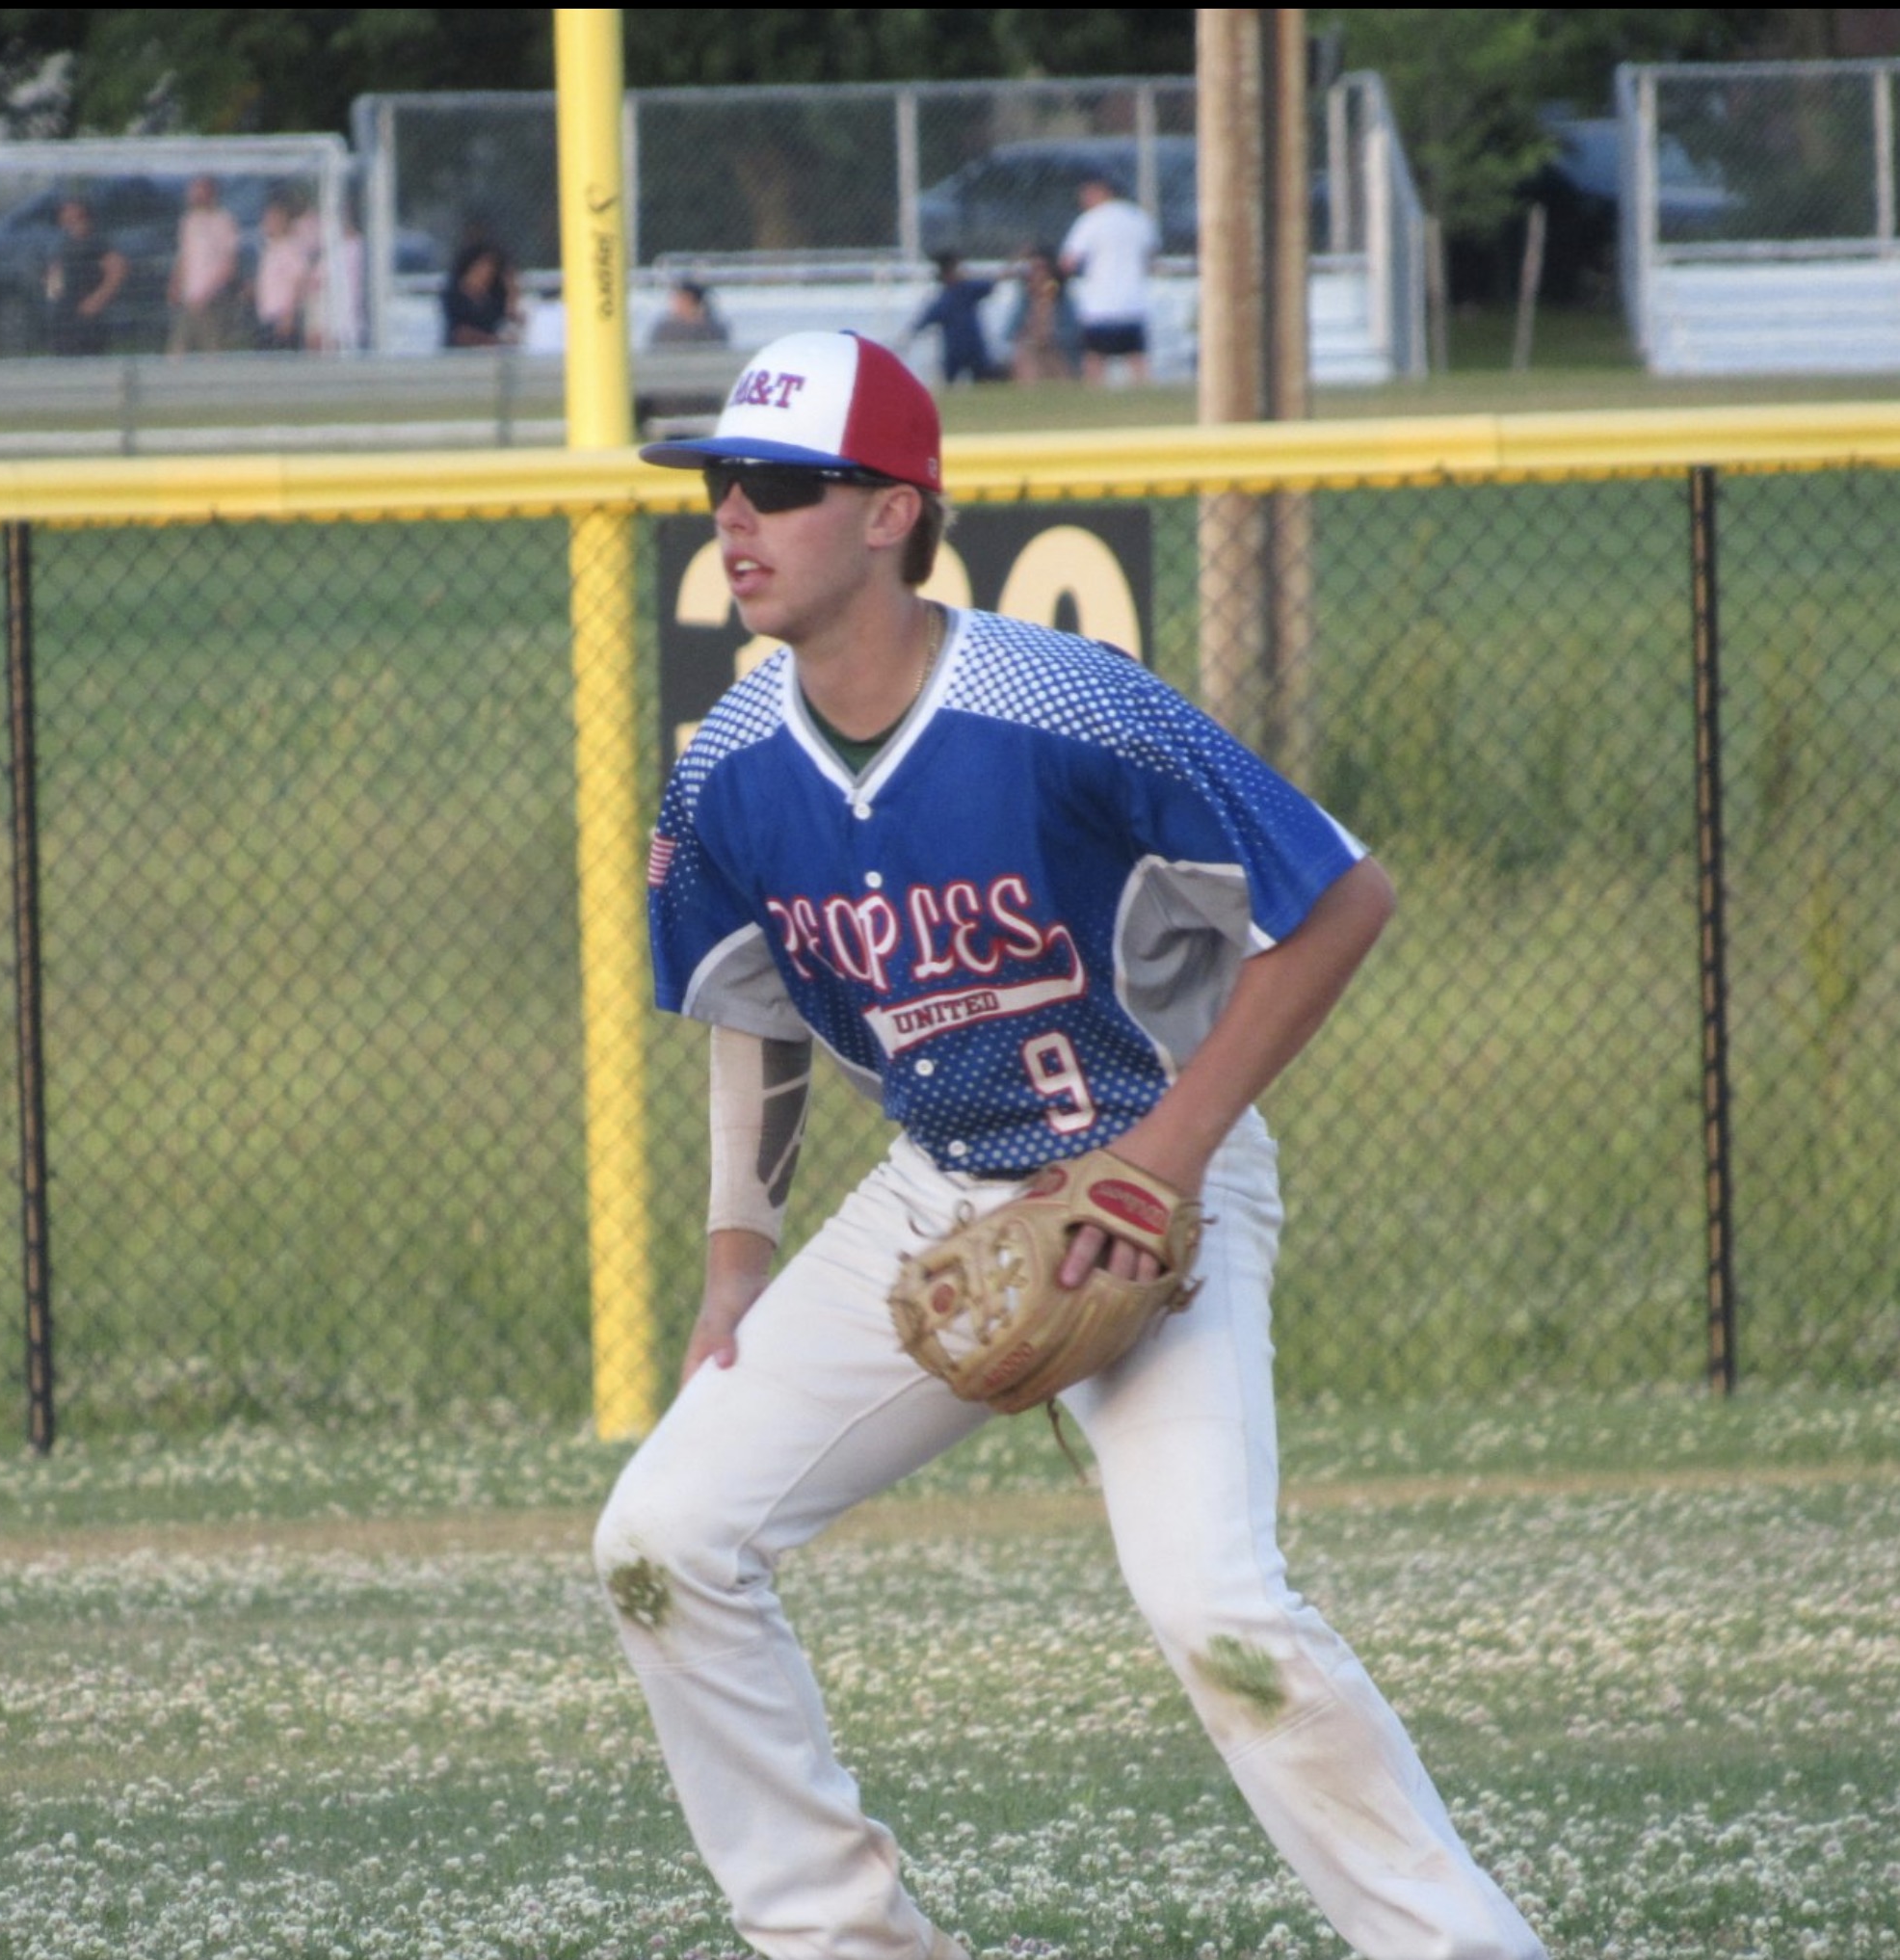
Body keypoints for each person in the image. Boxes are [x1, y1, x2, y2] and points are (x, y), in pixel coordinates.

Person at [597, 328, 1548, 1960]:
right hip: (939, 1190)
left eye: (776, 485)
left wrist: (1161, 1158)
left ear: (892, 512)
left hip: (1154, 1176)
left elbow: (1334, 900)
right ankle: (841, 1937)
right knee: (658, 1540)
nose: (731, 519)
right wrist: (732, 1270)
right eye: (717, 487)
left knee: (1214, 1609)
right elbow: (748, 1005)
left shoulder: (1055, 701)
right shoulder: (724, 767)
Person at [1058, 172, 1159, 384]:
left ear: (1100, 193)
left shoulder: (1090, 221)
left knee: (1095, 357)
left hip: (1100, 304)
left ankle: (1093, 398)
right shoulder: (1138, 218)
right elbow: (1151, 257)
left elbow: (1068, 261)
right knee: (1136, 357)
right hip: (1133, 302)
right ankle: (1144, 395)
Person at [166, 175, 241, 356]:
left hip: (212, 298)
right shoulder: (188, 221)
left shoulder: (224, 221)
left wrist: (207, 292)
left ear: (210, 193)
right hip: (189, 297)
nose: (193, 195)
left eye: (198, 190)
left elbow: (229, 264)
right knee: (177, 350)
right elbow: (184, 256)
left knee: (211, 349)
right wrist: (175, 283)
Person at [44, 198, 127, 357]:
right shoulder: (63, 243)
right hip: (63, 316)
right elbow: (55, 275)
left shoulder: (95, 241)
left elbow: (118, 268)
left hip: (86, 318)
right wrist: (52, 292)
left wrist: (97, 300)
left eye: (68, 210)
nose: (63, 214)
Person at [908, 252, 1000, 384]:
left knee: (983, 377)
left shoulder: (968, 289)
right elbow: (923, 321)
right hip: (955, 350)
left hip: (974, 348)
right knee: (951, 378)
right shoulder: (944, 299)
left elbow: (991, 284)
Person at [1004, 244, 1082, 383]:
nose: (1038, 275)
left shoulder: (1061, 299)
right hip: (1031, 350)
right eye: (1034, 270)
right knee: (1027, 352)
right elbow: (1011, 332)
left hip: (1059, 351)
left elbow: (1072, 333)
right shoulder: (1025, 299)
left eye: (1042, 269)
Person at [250, 197, 311, 352]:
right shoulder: (270, 248)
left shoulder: (291, 248)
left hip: (283, 318)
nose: (267, 223)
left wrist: (289, 315)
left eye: (272, 219)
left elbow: (300, 281)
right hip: (267, 316)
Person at [440, 234, 521, 349]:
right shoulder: (453, 295)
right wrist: (495, 341)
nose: (485, 273)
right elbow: (460, 334)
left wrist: (511, 292)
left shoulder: (494, 298)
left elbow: (512, 323)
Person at [649, 279, 729, 346]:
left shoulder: (714, 330)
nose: (677, 305)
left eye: (684, 301)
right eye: (677, 301)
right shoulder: (664, 330)